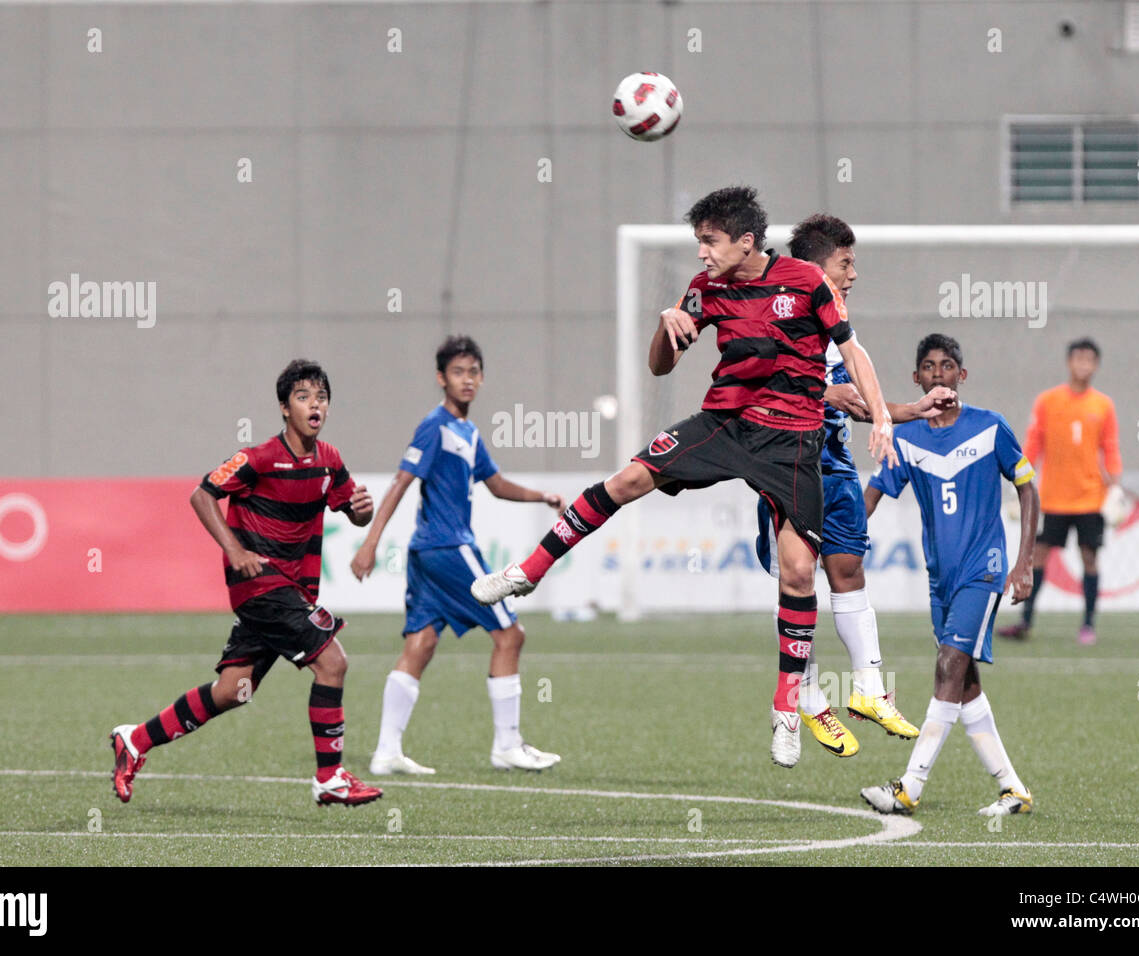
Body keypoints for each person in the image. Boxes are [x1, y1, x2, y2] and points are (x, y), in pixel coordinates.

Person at [471, 185, 899, 769]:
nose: (700, 252)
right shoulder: (704, 289)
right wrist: (666, 324)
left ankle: (785, 707)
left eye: (709, 241)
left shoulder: (804, 281)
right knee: (625, 482)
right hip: (723, 423)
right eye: (698, 241)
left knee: (800, 572)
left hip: (791, 443)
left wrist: (881, 418)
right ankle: (527, 573)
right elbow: (660, 364)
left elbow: (853, 354)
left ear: (746, 241)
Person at [110, 359, 383, 808]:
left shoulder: (329, 459)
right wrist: (235, 550)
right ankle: (330, 777)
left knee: (233, 689)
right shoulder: (258, 458)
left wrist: (361, 509)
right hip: (260, 585)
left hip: (291, 590)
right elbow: (202, 494)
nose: (314, 405)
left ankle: (135, 740)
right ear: (283, 408)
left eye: (321, 397)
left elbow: (354, 512)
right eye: (303, 397)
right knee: (332, 663)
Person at [755, 214, 957, 760]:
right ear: (813, 269)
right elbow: (752, 388)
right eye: (846, 263)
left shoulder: (842, 328)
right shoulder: (776, 321)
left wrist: (914, 408)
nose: (854, 274)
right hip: (787, 465)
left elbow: (861, 403)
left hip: (837, 464)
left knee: (847, 570)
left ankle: (868, 689)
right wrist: (822, 394)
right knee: (799, 583)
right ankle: (809, 697)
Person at [351, 336, 564, 774]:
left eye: (473, 372)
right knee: (510, 634)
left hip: (428, 553)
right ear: (441, 379)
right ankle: (507, 745)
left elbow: (497, 484)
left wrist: (542, 496)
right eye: (457, 372)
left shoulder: (468, 432)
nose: (466, 380)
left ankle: (386, 751)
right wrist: (371, 542)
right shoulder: (436, 426)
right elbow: (400, 482)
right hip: (448, 547)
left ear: (482, 378)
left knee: (422, 643)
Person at [859, 334, 1040, 817]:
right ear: (916, 379)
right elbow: (874, 494)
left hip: (985, 569)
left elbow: (1027, 487)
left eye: (947, 365)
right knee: (965, 681)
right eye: (928, 366)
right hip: (941, 576)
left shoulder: (990, 427)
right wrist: (841, 538)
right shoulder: (906, 437)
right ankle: (1013, 789)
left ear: (963, 375)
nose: (938, 372)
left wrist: (1023, 564)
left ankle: (908, 788)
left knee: (947, 665)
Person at [998, 338, 1122, 645]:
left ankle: (1088, 625)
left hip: (1090, 498)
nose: (1083, 365)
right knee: (1037, 557)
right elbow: (1033, 444)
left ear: (1096, 365)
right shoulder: (1048, 401)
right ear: (1069, 362)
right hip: (1052, 497)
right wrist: (1019, 480)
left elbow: (1110, 448)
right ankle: (1025, 621)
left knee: (1089, 557)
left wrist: (1115, 486)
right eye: (1078, 358)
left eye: (1089, 360)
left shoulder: (1103, 405)